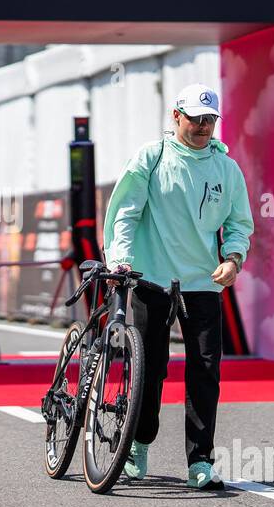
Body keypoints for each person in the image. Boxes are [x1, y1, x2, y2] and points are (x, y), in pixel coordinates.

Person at [103, 84, 254, 486]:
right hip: (151, 278)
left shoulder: (227, 168)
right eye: (195, 118)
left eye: (210, 120)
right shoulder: (152, 157)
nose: (203, 126)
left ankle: (200, 462)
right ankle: (139, 442)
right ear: (176, 117)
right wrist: (120, 258)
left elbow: (239, 224)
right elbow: (125, 213)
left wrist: (233, 258)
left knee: (205, 368)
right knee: (150, 368)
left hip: (204, 281)